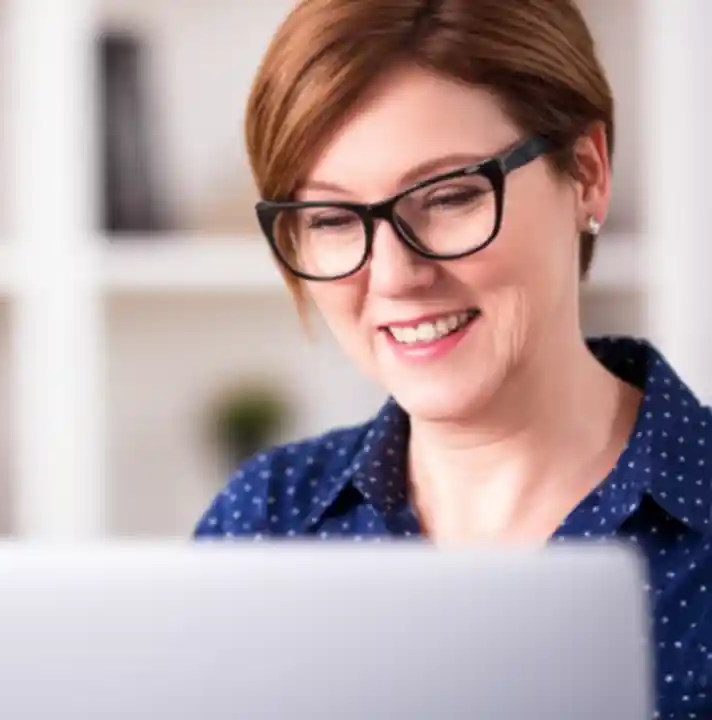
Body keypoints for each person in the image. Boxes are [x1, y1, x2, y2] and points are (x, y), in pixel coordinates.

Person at [193, 1, 712, 717]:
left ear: (587, 172)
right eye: (333, 220)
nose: (395, 274)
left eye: (449, 196)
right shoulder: (265, 520)